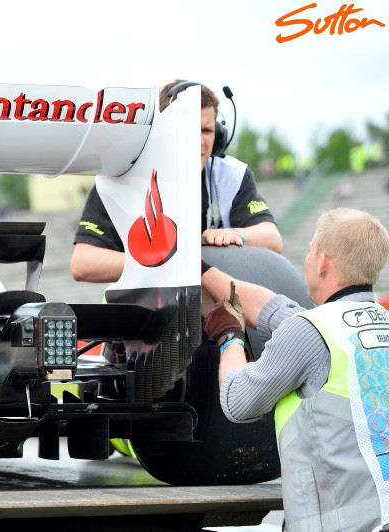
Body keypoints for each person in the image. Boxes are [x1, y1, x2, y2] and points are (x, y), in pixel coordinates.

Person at [202, 208, 389, 531]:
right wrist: (201, 269)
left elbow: (236, 400)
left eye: (310, 250)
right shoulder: (373, 326)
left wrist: (229, 337)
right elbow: (274, 309)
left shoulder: (309, 332)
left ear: (323, 262)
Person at [71, 80, 283, 283]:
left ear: (218, 136)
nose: (200, 141)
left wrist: (236, 234)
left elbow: (272, 239)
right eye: (190, 128)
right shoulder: (119, 176)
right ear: (163, 131)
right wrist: (162, 262)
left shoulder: (232, 175)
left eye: (207, 131)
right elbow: (83, 263)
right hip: (141, 314)